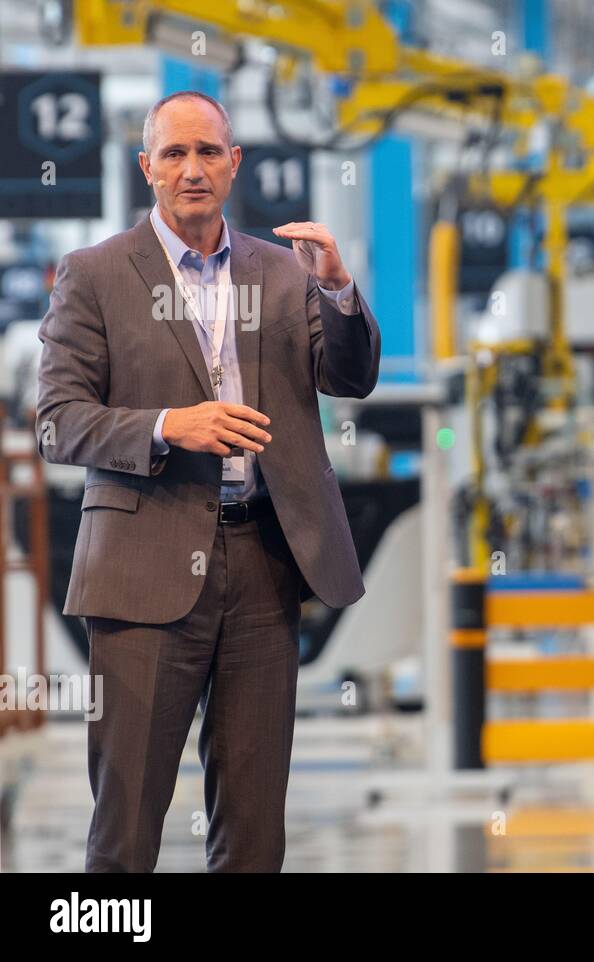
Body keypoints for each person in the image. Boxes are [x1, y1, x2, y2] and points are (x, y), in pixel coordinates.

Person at [35, 90, 381, 871]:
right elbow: (57, 419)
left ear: (235, 162)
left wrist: (337, 287)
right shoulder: (94, 275)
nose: (192, 169)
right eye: (174, 154)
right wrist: (168, 425)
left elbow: (351, 378)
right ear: (146, 169)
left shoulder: (284, 271)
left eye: (208, 152)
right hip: (143, 569)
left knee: (255, 834)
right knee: (126, 832)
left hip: (264, 565)